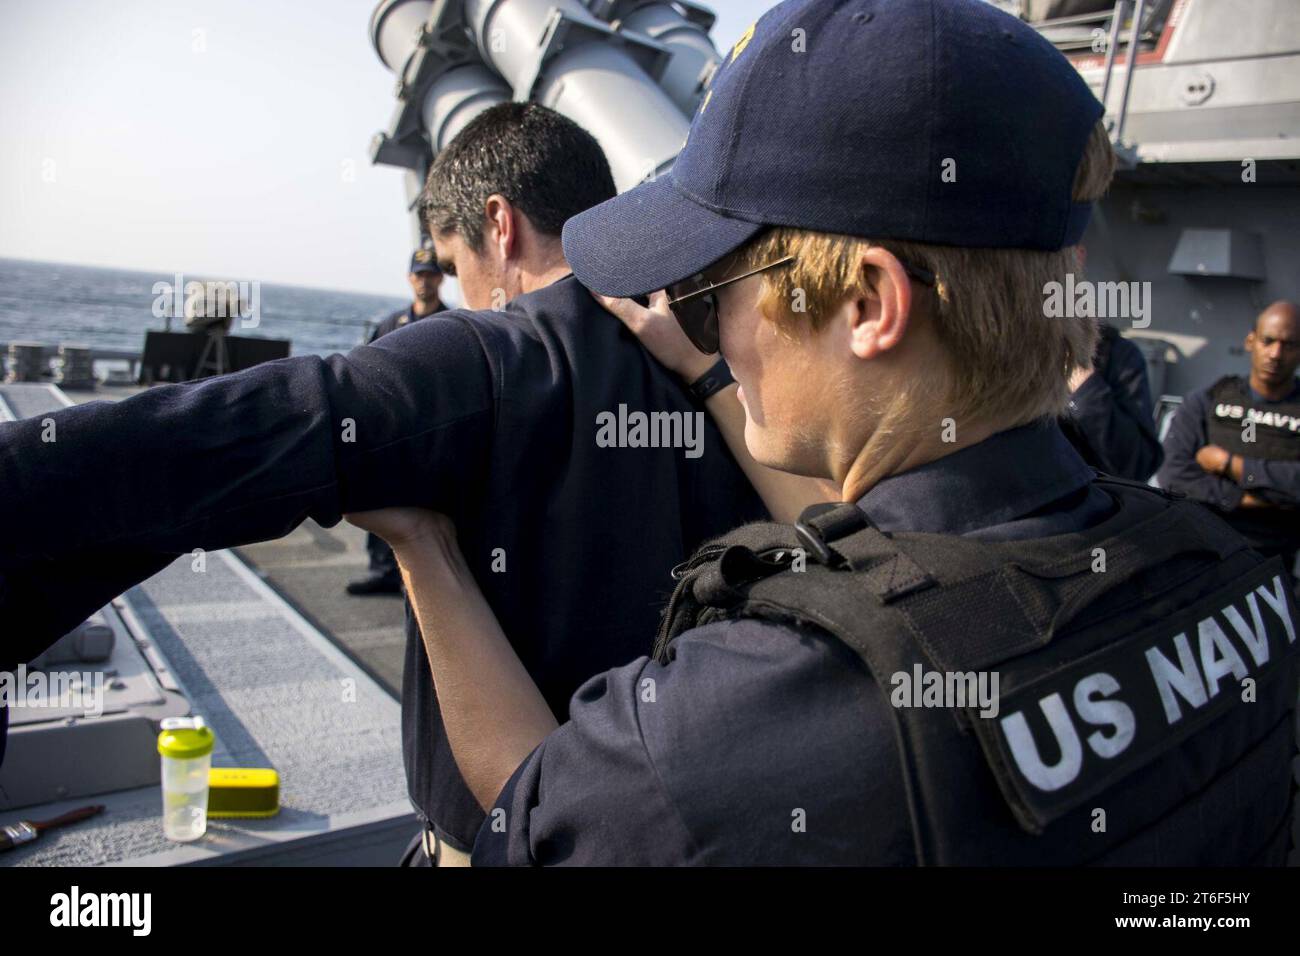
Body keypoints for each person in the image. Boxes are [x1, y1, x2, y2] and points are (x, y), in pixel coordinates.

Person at [349, 0, 1299, 865]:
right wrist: (712, 375)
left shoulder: (745, 720)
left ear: (869, 304)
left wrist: (423, 545)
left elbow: (529, 815)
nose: (707, 327)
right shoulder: (1229, 583)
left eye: (712, 291)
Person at [0, 103, 830, 865]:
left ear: (498, 227)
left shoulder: (485, 357)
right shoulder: (740, 381)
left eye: (451, 259)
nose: (457, 290)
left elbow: (209, 441)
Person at [1156, 300, 1300, 570]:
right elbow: (1173, 475)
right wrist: (1249, 500)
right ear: (1250, 341)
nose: (1276, 354)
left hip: (1274, 557)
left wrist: (1232, 465)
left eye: (1289, 345)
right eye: (1267, 341)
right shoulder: (1208, 399)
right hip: (1204, 551)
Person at [346, 248, 447, 596]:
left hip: (433, 434)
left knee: (428, 512)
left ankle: (424, 581)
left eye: (431, 274)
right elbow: (362, 373)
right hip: (391, 432)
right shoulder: (390, 326)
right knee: (380, 503)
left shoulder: (451, 326)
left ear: (441, 278)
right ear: (410, 278)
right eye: (419, 274)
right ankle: (384, 572)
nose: (425, 281)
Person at [1060, 320, 1164, 481]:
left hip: (1088, 496)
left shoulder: (1116, 355)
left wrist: (1086, 388)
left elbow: (1138, 465)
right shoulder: (1011, 353)